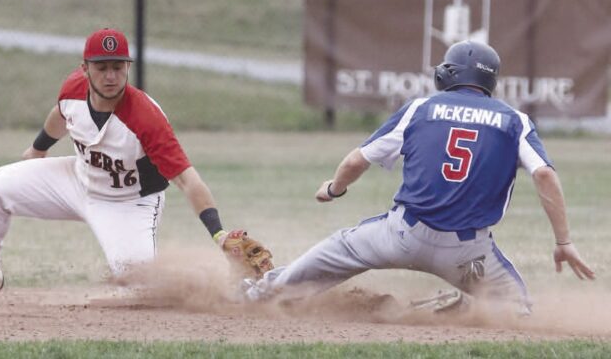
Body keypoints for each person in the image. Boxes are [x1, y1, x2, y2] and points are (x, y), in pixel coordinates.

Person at [242, 40, 595, 313]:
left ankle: (259, 294)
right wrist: (563, 242)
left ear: (451, 73)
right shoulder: (514, 121)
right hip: (467, 256)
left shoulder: (420, 108)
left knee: (336, 252)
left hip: (400, 236)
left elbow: (356, 161)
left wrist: (334, 189)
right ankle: (459, 310)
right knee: (517, 312)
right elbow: (545, 175)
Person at [0, 28, 239, 305]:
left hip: (129, 203)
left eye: (117, 67)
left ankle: (232, 288)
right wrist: (38, 149)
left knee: (140, 288)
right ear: (85, 69)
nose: (110, 76)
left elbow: (187, 180)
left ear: (128, 68)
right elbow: (60, 116)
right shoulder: (73, 90)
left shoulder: (146, 118)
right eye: (101, 68)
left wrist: (219, 233)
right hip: (77, 180)